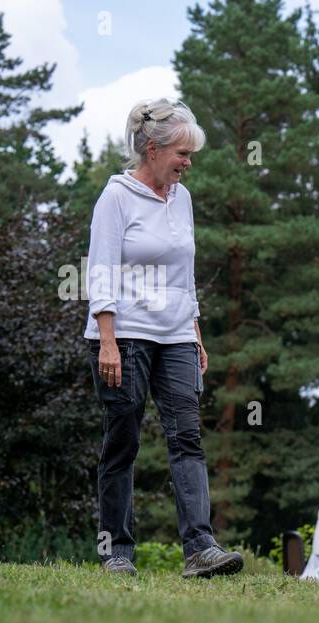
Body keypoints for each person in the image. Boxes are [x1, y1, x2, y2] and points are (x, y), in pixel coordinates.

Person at [85, 98, 242, 579]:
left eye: (190, 154)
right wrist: (107, 339)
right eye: (181, 153)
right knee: (123, 442)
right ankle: (118, 553)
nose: (188, 163)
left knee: (188, 438)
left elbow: (184, 273)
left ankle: (200, 548)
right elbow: (101, 270)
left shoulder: (183, 199)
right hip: (125, 335)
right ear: (152, 150)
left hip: (175, 334)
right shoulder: (116, 197)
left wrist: (194, 331)